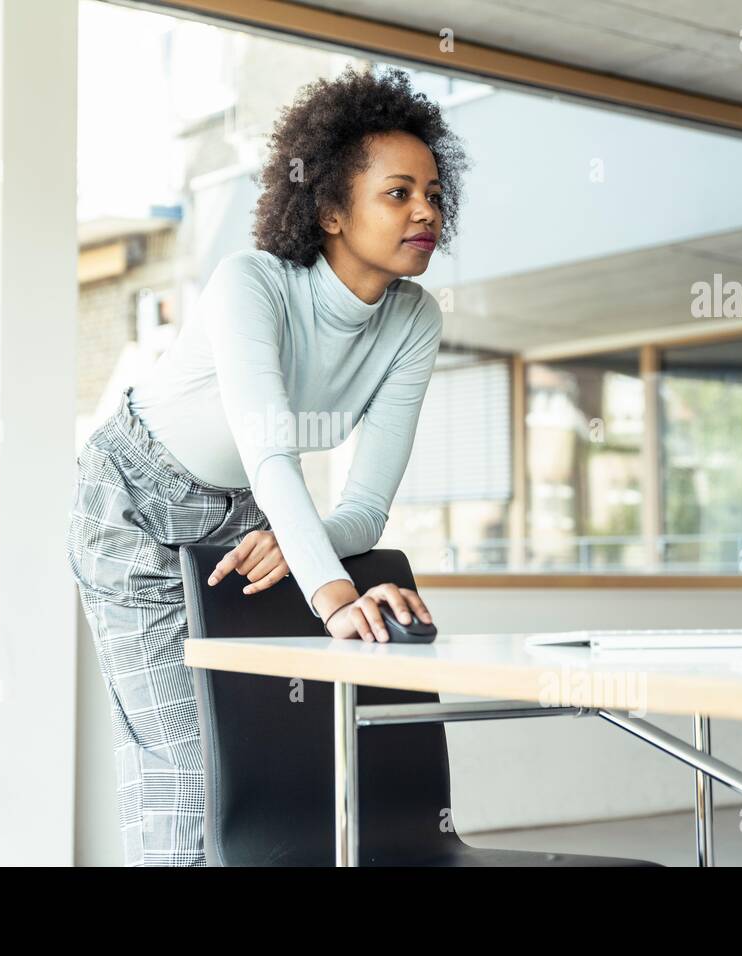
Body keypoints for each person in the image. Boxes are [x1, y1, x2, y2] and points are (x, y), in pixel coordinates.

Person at [67, 64, 470, 866]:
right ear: (329, 208)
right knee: (187, 772)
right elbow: (270, 449)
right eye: (399, 193)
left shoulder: (414, 321)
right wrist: (330, 591)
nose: (426, 209)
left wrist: (302, 541)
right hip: (133, 503)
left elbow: (366, 504)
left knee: (252, 765)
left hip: (253, 521)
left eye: (433, 193)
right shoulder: (249, 283)